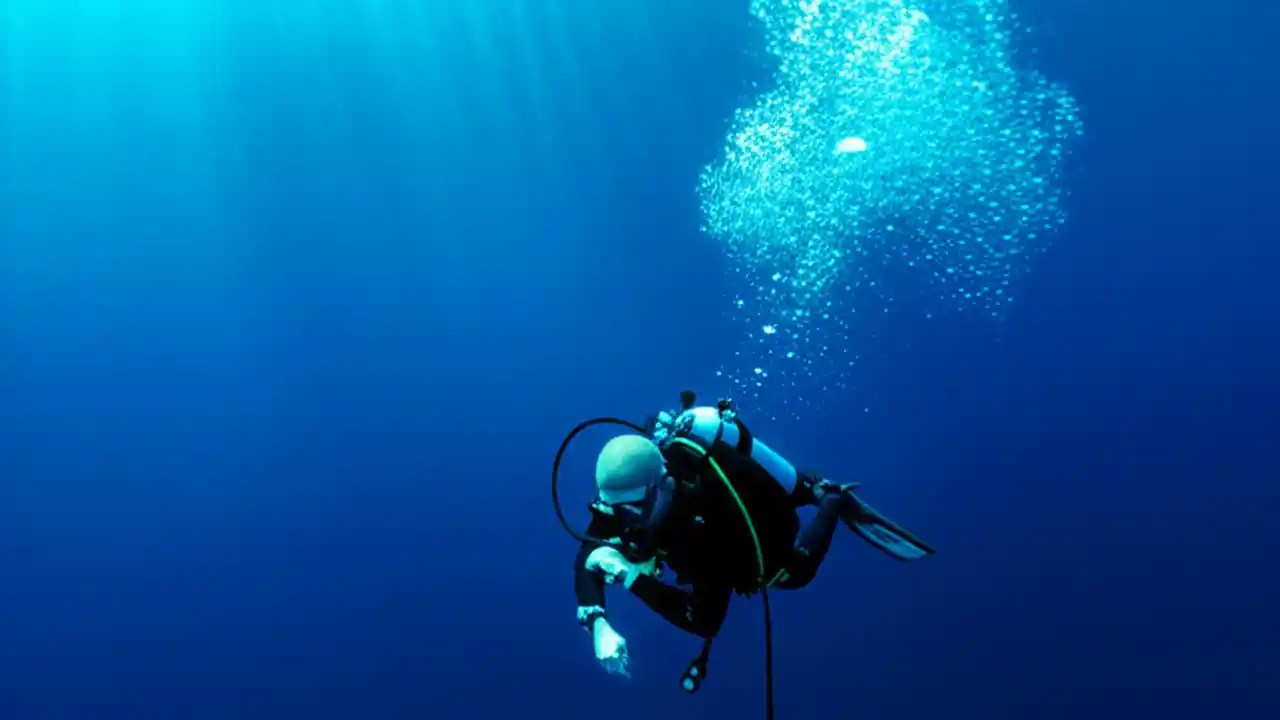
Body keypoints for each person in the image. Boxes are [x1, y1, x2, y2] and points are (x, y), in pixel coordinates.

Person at [572, 393, 934, 681]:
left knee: (793, 575)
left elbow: (704, 621)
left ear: (663, 486)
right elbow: (590, 550)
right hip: (721, 501)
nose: (624, 523)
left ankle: (831, 500)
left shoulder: (707, 519)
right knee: (791, 487)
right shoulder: (630, 495)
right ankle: (811, 487)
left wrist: (631, 577)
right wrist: (597, 623)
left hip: (756, 542)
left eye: (632, 510)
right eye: (615, 511)